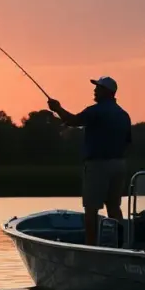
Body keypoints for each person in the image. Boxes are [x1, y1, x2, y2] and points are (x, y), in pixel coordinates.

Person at [47, 76, 132, 247]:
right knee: (114, 207)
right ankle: (122, 245)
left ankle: (91, 246)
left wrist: (57, 108)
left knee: (91, 209)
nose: (94, 90)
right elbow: (128, 141)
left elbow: (72, 121)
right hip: (119, 165)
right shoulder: (123, 114)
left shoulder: (95, 111)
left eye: (98, 88)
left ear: (107, 92)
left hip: (97, 165)